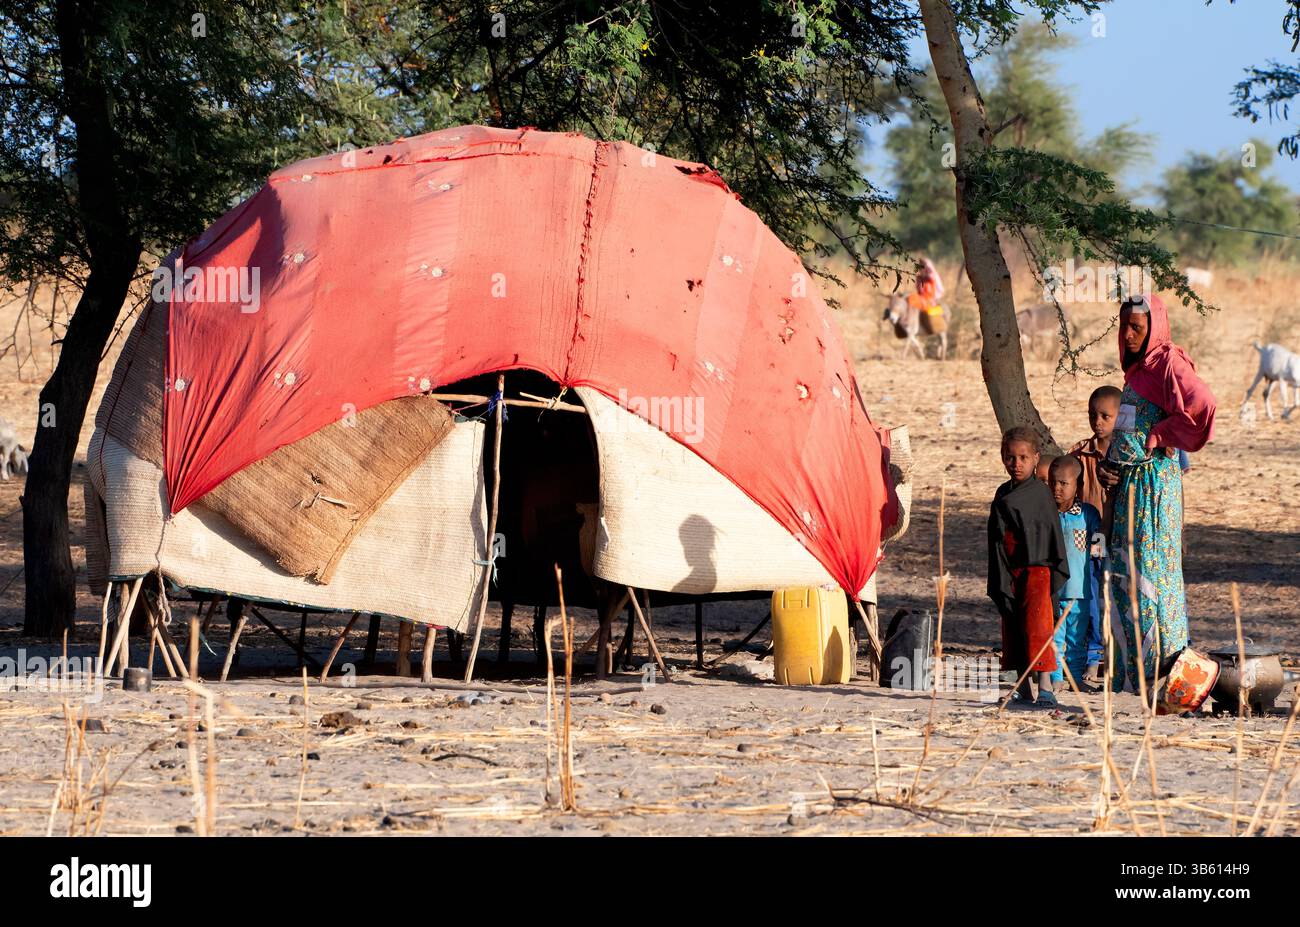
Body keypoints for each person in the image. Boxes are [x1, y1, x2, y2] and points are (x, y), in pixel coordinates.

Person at [1108, 294, 1216, 687]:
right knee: (1128, 572)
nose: (1130, 334)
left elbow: (1203, 403)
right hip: (1130, 486)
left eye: (1138, 327)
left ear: (1155, 326)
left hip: (1153, 487)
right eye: (1125, 327)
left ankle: (1162, 670)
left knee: (1153, 573)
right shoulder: (1139, 368)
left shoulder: (1168, 362)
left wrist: (1165, 433)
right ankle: (1132, 673)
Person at [988, 427, 1069, 706]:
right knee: (1013, 627)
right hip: (1010, 569)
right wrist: (1001, 571)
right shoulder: (1002, 493)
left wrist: (1041, 570)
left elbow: (1049, 537)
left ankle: (1045, 687)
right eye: (1010, 457)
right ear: (1002, 458)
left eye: (1023, 457)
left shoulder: (1039, 494)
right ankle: (1023, 688)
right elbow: (996, 536)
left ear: (1036, 458)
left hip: (1037, 570)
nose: (1017, 464)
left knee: (1038, 626)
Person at [1046, 455, 1104, 690]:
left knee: (1077, 638)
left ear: (1078, 486)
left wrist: (1099, 551)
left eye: (1063, 483)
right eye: (1053, 482)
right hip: (1053, 590)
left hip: (1079, 590)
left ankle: (1076, 678)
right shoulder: (1046, 512)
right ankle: (1056, 678)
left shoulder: (1088, 515)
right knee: (1055, 636)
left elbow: (1100, 546)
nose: (1057, 488)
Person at [1070, 385, 1122, 520]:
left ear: (1121, 416)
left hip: (1121, 528)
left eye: (1105, 416)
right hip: (1087, 527)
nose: (1097, 422)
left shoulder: (1130, 456)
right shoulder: (1078, 454)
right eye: (1093, 416)